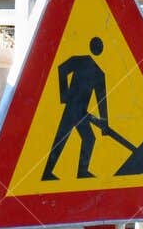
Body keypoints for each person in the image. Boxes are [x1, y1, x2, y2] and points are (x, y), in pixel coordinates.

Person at [41, 37, 109, 182]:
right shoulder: (82, 61)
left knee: (74, 138)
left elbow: (102, 100)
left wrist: (104, 124)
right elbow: (61, 69)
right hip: (73, 107)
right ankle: (72, 172)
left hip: (80, 111)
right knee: (69, 138)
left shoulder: (99, 73)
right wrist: (64, 95)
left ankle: (59, 172)